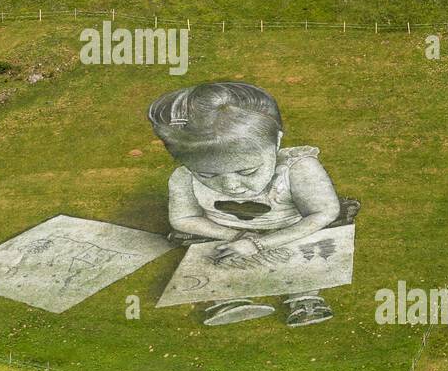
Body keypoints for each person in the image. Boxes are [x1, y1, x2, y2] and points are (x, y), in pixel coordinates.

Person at [147, 80, 344, 325]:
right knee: (217, 260)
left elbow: (324, 212)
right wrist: (234, 236)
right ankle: (229, 299)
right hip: (226, 235)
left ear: (277, 142)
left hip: (291, 232)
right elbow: (183, 219)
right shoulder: (183, 178)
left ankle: (304, 299)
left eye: (247, 171)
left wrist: (261, 244)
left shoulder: (298, 169)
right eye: (207, 175)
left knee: (307, 260)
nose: (231, 187)